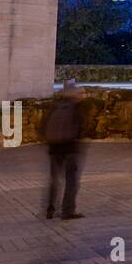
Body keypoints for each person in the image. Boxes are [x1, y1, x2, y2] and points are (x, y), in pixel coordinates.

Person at [43, 81, 86, 220]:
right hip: (69, 148)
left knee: (54, 180)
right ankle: (68, 211)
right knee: (71, 180)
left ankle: (50, 209)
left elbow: (43, 125)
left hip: (54, 148)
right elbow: (79, 129)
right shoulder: (76, 108)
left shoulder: (55, 106)